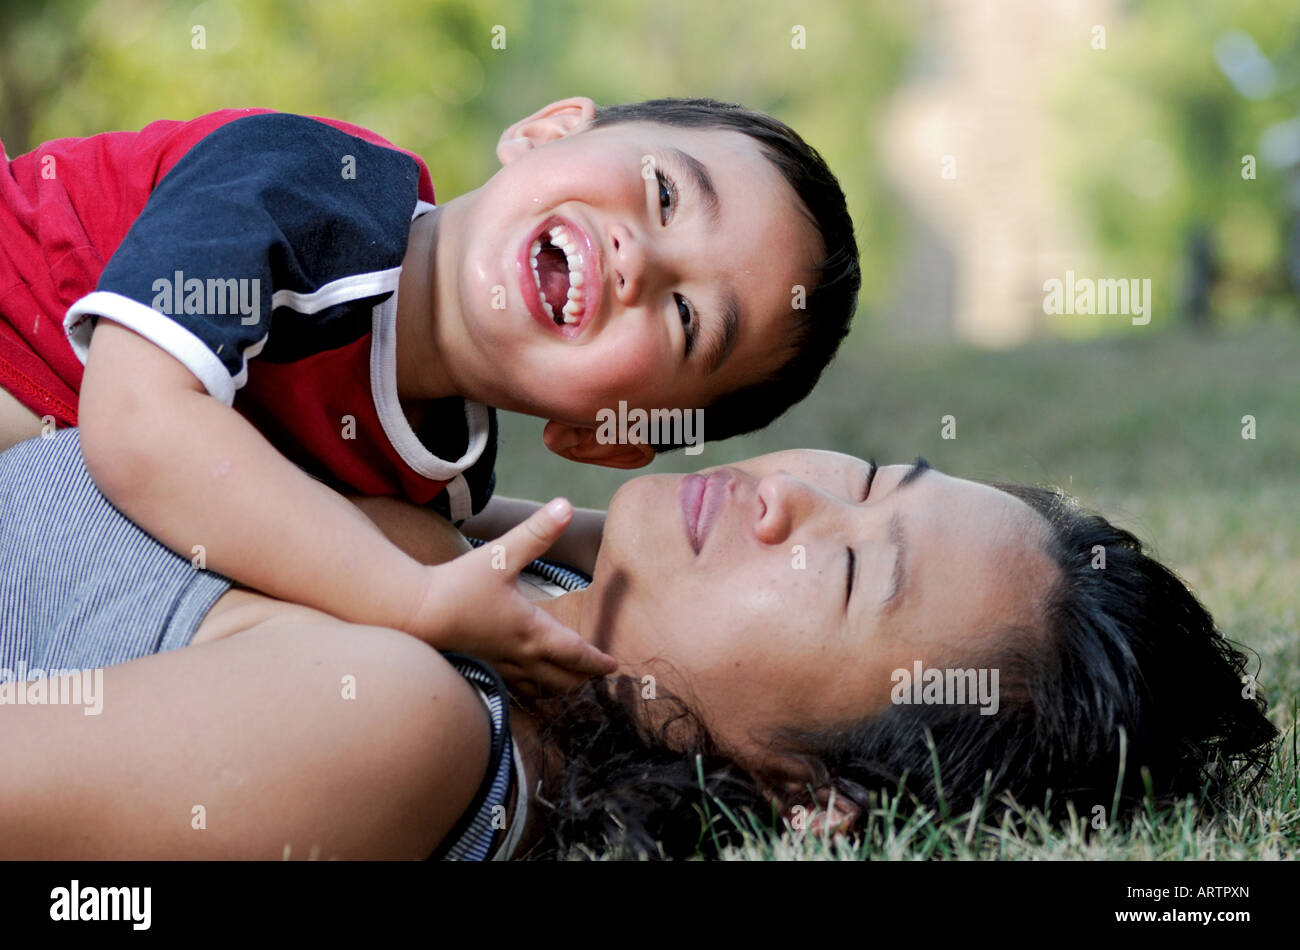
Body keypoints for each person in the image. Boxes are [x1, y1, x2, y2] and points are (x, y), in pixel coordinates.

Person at [0, 432, 1276, 859]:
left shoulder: (399, 719)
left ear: (812, 793)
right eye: (868, 475)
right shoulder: (560, 585)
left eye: (843, 569)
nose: (788, 495)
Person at [0, 95, 861, 685]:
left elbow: (450, 535)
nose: (639, 258)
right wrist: (410, 602)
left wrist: (627, 547)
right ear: (546, 131)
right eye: (664, 192)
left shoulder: (444, 467)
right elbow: (138, 424)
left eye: (683, 318)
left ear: (604, 436)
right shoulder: (310, 189)